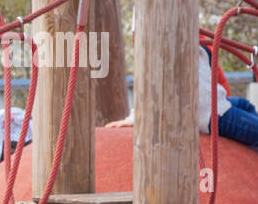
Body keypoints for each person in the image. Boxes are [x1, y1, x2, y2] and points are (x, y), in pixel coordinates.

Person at [107, 44, 258, 149]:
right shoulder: (164, 53)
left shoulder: (191, 47)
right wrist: (135, 118)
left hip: (217, 103)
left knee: (244, 104)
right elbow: (150, 86)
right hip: (212, 114)